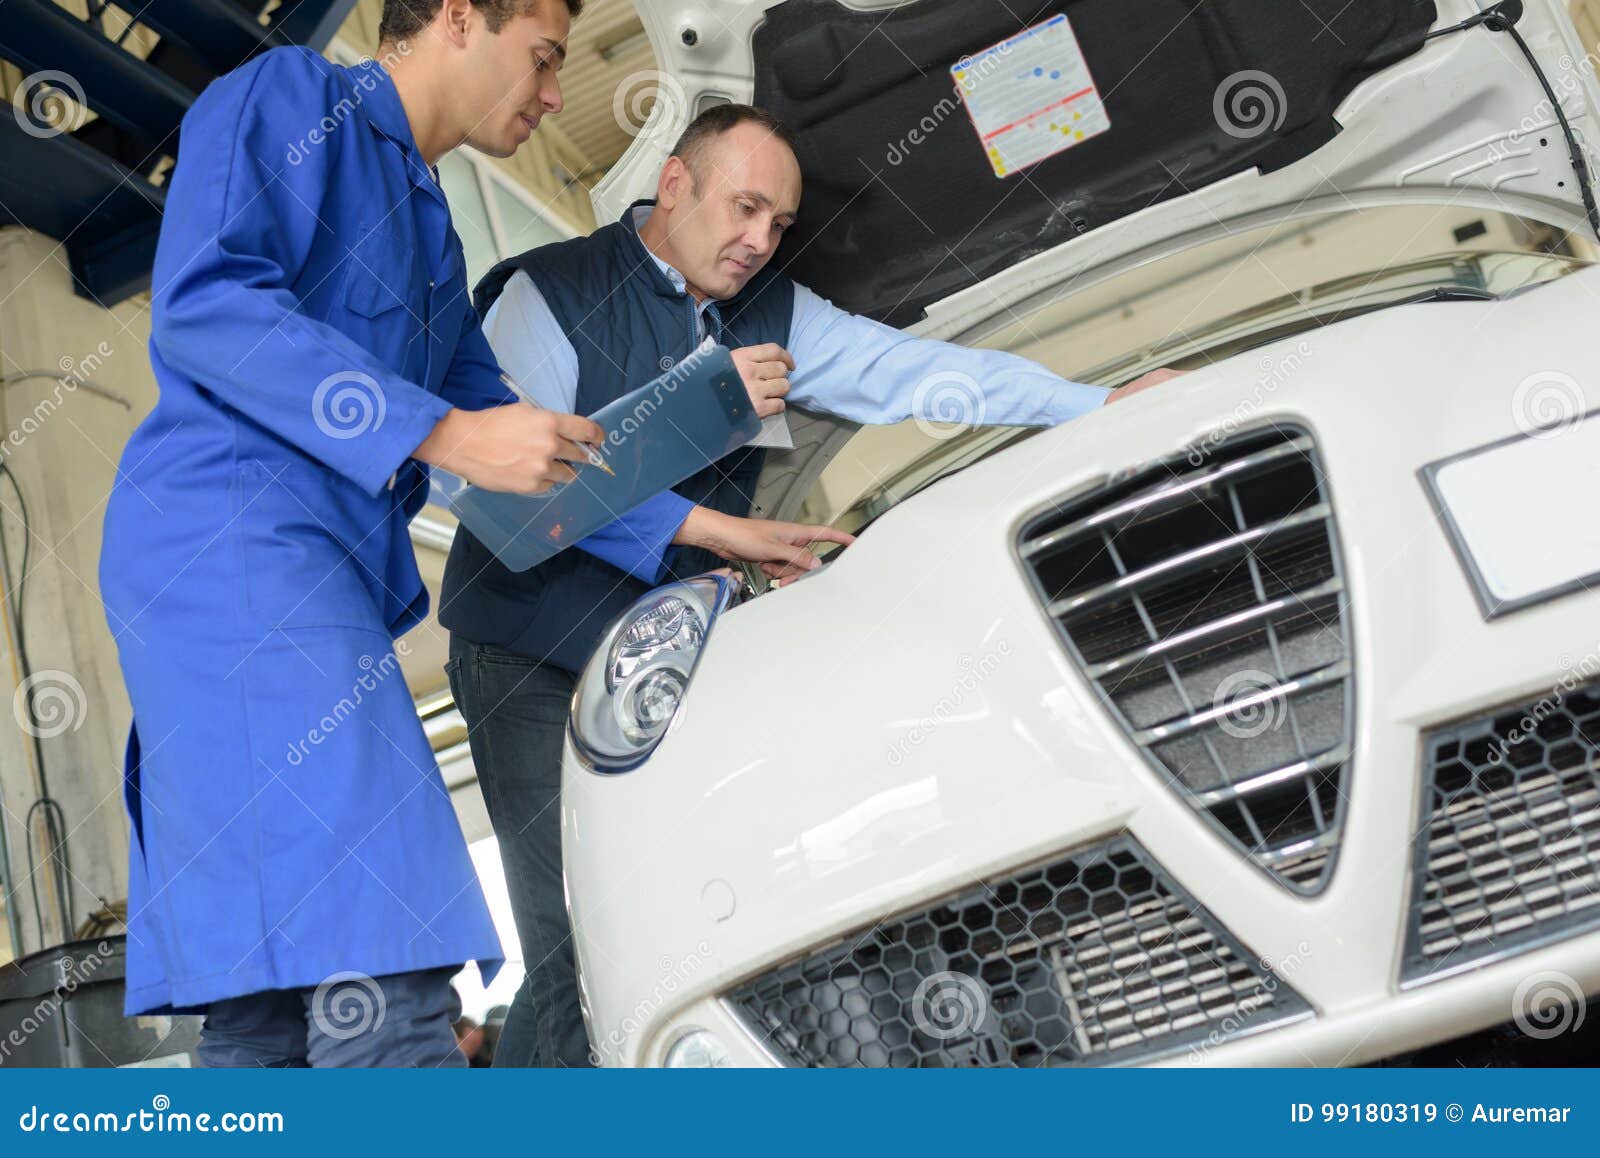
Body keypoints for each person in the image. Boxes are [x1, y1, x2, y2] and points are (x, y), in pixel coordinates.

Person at [437, 104, 1180, 1067]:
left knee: (679, 931)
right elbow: (490, 478)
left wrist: (1094, 406)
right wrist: (712, 528)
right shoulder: (547, 290)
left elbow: (914, 370)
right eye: (744, 209)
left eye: (779, 225)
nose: (759, 242)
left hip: (671, 660)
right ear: (674, 184)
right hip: (528, 653)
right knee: (579, 947)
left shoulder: (776, 313)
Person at [97, 0, 605, 1067]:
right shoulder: (292, 95)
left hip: (296, 574)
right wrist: (442, 431)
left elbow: (517, 438)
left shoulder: (433, 237)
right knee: (384, 955)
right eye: (547, 57)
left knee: (267, 1003)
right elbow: (205, 300)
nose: (557, 94)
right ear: (460, 18)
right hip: (228, 545)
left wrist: (711, 531)